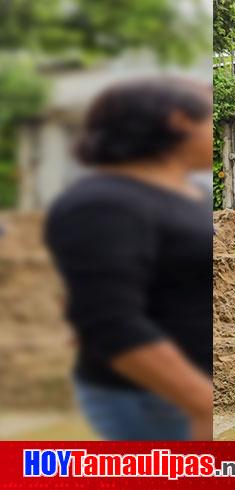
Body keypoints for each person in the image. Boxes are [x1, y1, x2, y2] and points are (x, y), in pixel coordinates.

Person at [44, 77, 214, 440]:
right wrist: (199, 402)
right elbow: (111, 322)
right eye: (210, 116)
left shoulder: (188, 194)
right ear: (178, 121)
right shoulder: (104, 201)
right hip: (150, 398)